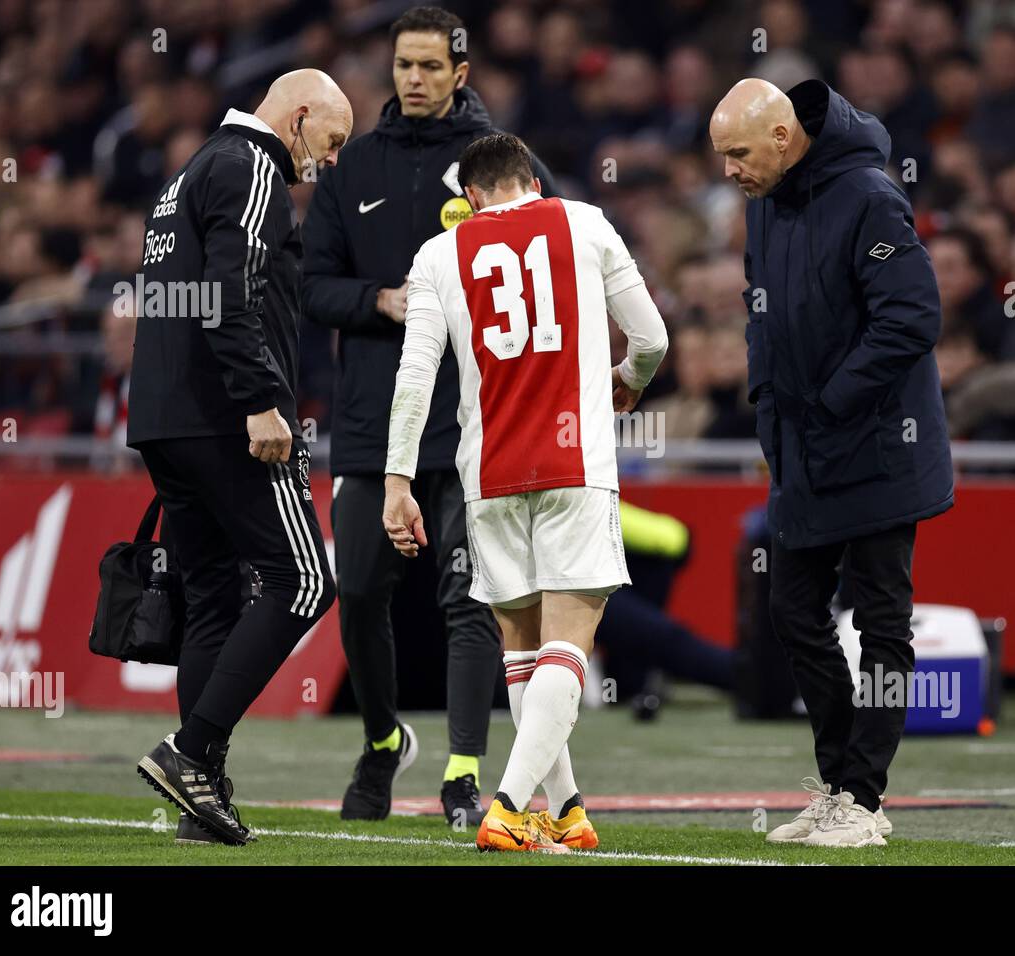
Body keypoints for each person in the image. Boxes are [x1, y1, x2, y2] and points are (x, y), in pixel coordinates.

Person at [303, 5, 559, 827]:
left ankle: (460, 772)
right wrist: (380, 298)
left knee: (470, 595)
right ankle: (383, 741)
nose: (412, 78)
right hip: (374, 420)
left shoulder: (499, 164)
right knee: (360, 589)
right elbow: (310, 284)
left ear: (460, 73)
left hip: (476, 416)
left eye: (427, 66)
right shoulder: (354, 166)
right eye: (402, 64)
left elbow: (544, 259)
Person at [381, 133, 668, 853]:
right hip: (575, 464)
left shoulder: (438, 254)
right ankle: (508, 806)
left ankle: (567, 809)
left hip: (488, 475)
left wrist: (397, 481)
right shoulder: (586, 222)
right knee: (568, 642)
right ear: (531, 179)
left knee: (522, 647)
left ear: (470, 198)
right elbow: (654, 338)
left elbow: (415, 379)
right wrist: (630, 377)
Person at [710, 78, 952, 848]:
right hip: (805, 447)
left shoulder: (872, 197)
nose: (730, 172)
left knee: (882, 621)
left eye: (739, 154)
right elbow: (758, 309)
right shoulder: (764, 204)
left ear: (783, 138)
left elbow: (913, 315)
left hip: (882, 446)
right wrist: (767, 395)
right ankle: (841, 786)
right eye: (721, 157)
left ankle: (865, 799)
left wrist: (834, 399)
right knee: (789, 611)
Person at [128, 70, 352, 845]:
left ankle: (202, 796)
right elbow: (232, 287)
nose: (325, 166)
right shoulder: (253, 165)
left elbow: (171, 298)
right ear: (295, 118)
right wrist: (261, 397)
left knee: (215, 598)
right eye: (328, 144)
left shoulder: (191, 169)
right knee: (304, 579)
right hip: (229, 416)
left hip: (165, 416)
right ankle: (192, 753)